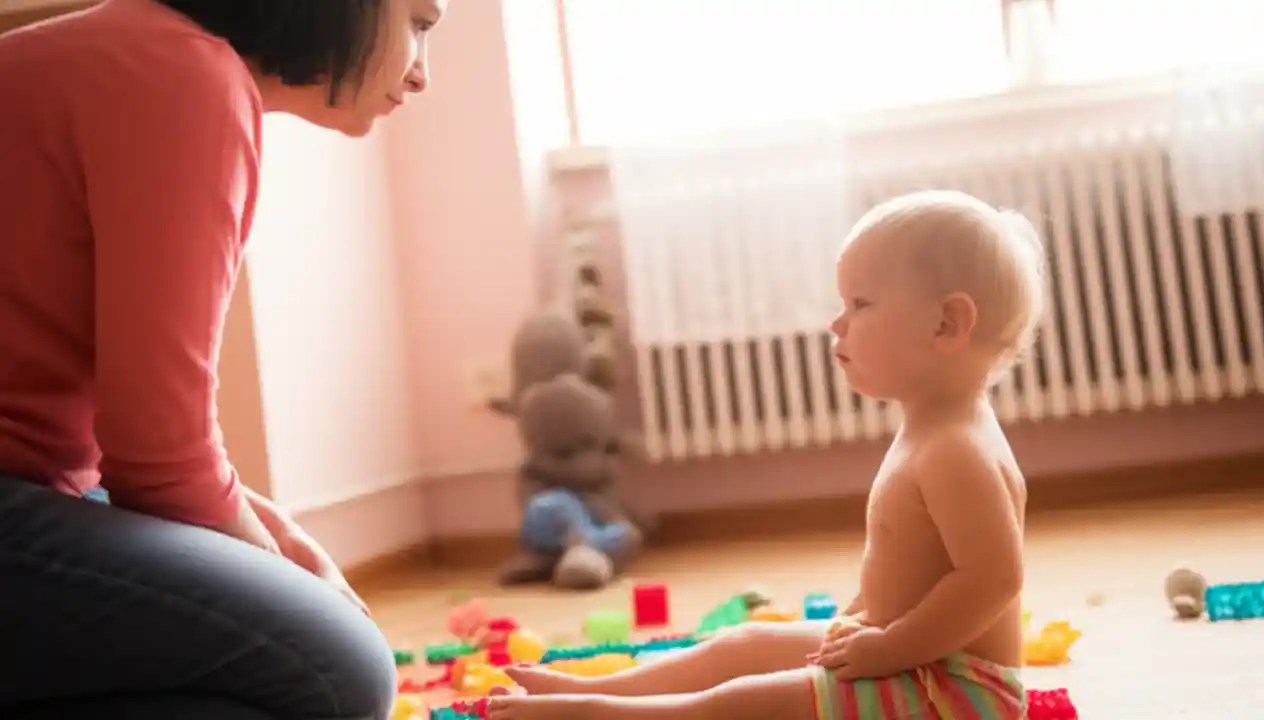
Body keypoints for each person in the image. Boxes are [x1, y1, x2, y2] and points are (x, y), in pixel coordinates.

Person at [0, 0, 445, 717]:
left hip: (35, 494)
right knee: (341, 672)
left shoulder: (151, 50)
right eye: (419, 25)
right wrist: (294, 580)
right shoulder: (185, 75)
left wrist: (281, 541)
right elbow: (157, 457)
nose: (423, 75)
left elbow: (145, 451)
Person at [487, 189, 1047, 720]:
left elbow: (991, 580)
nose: (837, 323)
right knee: (747, 644)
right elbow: (912, 574)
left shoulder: (957, 449)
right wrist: (866, 623)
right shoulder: (933, 428)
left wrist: (890, 648)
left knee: (749, 702)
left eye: (860, 304)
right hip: (918, 656)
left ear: (946, 324)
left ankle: (601, 715)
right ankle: (602, 688)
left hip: (959, 695)